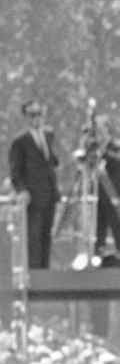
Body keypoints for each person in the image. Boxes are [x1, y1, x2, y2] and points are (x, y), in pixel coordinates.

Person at [8, 100, 60, 269]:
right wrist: (22, 191)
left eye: (39, 114)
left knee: (47, 235)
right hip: (33, 196)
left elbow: (52, 162)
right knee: (34, 238)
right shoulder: (20, 141)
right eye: (32, 115)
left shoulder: (48, 135)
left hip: (49, 194)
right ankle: (35, 276)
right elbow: (15, 172)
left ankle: (46, 274)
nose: (37, 118)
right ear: (26, 117)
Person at [93, 113, 120, 260]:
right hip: (98, 198)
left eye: (100, 128)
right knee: (98, 234)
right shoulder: (92, 148)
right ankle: (98, 259)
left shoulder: (118, 145)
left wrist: (104, 151)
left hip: (117, 197)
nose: (97, 131)